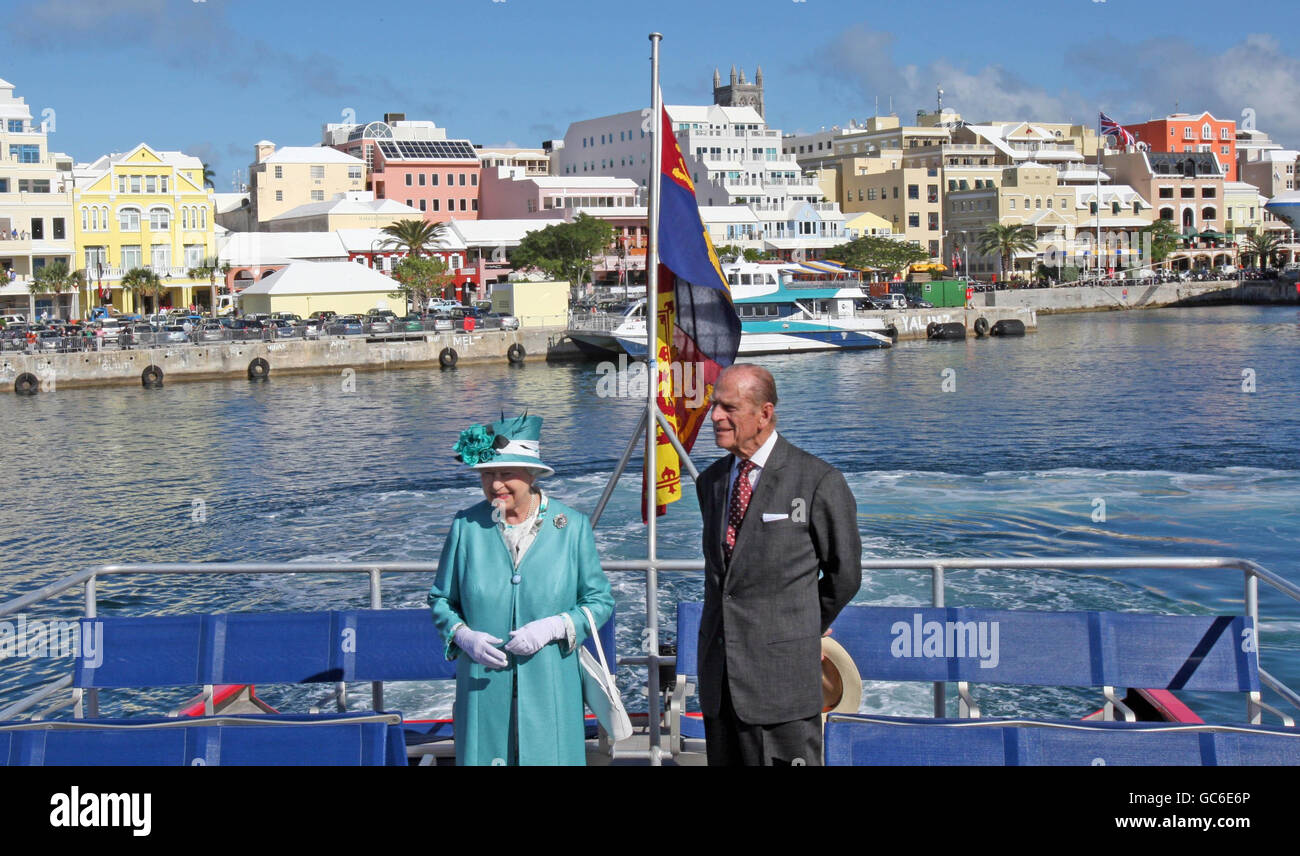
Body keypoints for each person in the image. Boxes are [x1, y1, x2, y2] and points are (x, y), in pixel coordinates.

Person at [695, 364, 862, 766]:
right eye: (714, 405)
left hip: (782, 685)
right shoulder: (712, 482)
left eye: (728, 408)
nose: (715, 416)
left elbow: (845, 574)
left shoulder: (818, 481)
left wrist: (800, 623)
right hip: (720, 684)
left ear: (765, 414)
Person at [428, 413, 614, 766]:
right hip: (483, 689)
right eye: (487, 474)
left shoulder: (572, 528)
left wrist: (556, 627)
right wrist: (464, 636)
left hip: (551, 689)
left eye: (504, 473)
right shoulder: (466, 527)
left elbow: (599, 600)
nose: (495, 484)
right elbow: (441, 599)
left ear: (532, 475)